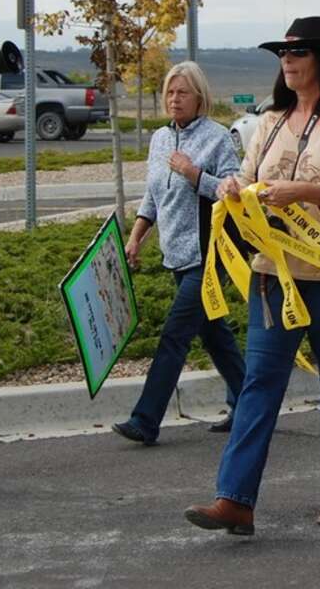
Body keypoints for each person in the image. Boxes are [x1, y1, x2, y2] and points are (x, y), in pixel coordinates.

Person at [185, 16, 320, 535]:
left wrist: (305, 193)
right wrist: (235, 186)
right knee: (260, 383)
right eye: (283, 53)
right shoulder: (271, 120)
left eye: (297, 52)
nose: (287, 60)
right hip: (274, 274)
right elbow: (250, 177)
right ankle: (234, 499)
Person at [113, 61, 246, 446]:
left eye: (182, 92)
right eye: (170, 92)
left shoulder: (218, 138)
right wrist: (136, 236)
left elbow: (234, 190)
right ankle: (248, 402)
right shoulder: (159, 139)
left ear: (199, 96)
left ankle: (145, 420)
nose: (174, 99)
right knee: (213, 333)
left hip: (209, 254)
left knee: (174, 334)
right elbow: (153, 195)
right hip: (175, 253)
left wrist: (194, 175)